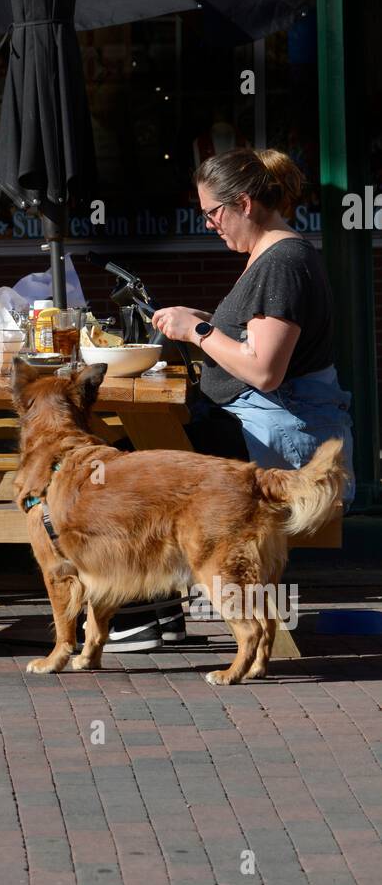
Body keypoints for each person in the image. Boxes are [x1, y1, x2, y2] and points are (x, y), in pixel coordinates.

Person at [105, 146, 355, 653]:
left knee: (130, 472)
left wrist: (198, 330)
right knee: (136, 454)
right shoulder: (275, 257)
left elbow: (264, 370)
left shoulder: (282, 262)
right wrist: (209, 325)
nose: (211, 226)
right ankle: (155, 611)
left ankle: (141, 615)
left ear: (244, 202)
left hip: (278, 441)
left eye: (213, 214)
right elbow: (253, 343)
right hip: (267, 426)